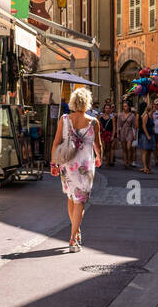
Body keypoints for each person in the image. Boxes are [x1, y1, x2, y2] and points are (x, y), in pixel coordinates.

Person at [50, 86, 103, 252]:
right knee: (80, 200)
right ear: (87, 102)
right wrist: (99, 157)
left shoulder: (64, 119)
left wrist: (53, 163)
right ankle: (73, 238)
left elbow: (56, 142)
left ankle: (76, 230)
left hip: (68, 163)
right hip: (85, 165)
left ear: (73, 102)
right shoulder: (93, 122)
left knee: (72, 198)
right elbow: (98, 145)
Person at [116, 99, 137, 168]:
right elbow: (118, 124)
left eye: (126, 106)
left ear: (129, 107)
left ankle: (130, 160)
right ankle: (125, 161)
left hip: (129, 131)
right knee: (124, 148)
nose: (125, 107)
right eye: (124, 106)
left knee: (129, 147)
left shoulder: (132, 115)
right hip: (122, 131)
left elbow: (134, 126)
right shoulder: (120, 115)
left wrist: (135, 134)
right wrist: (118, 133)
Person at [136, 100, 155, 173]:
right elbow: (144, 126)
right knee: (145, 151)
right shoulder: (145, 115)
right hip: (145, 134)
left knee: (149, 151)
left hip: (151, 134)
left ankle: (148, 165)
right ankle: (144, 167)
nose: (153, 108)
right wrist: (147, 135)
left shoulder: (150, 115)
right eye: (152, 107)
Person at [98, 99, 115, 163]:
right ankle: (100, 160)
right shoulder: (100, 116)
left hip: (109, 133)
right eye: (106, 108)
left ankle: (108, 161)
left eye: (108, 108)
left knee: (108, 148)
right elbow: (98, 125)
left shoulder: (112, 117)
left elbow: (114, 127)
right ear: (104, 109)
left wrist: (113, 136)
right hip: (102, 133)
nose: (107, 109)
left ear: (110, 109)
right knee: (103, 147)